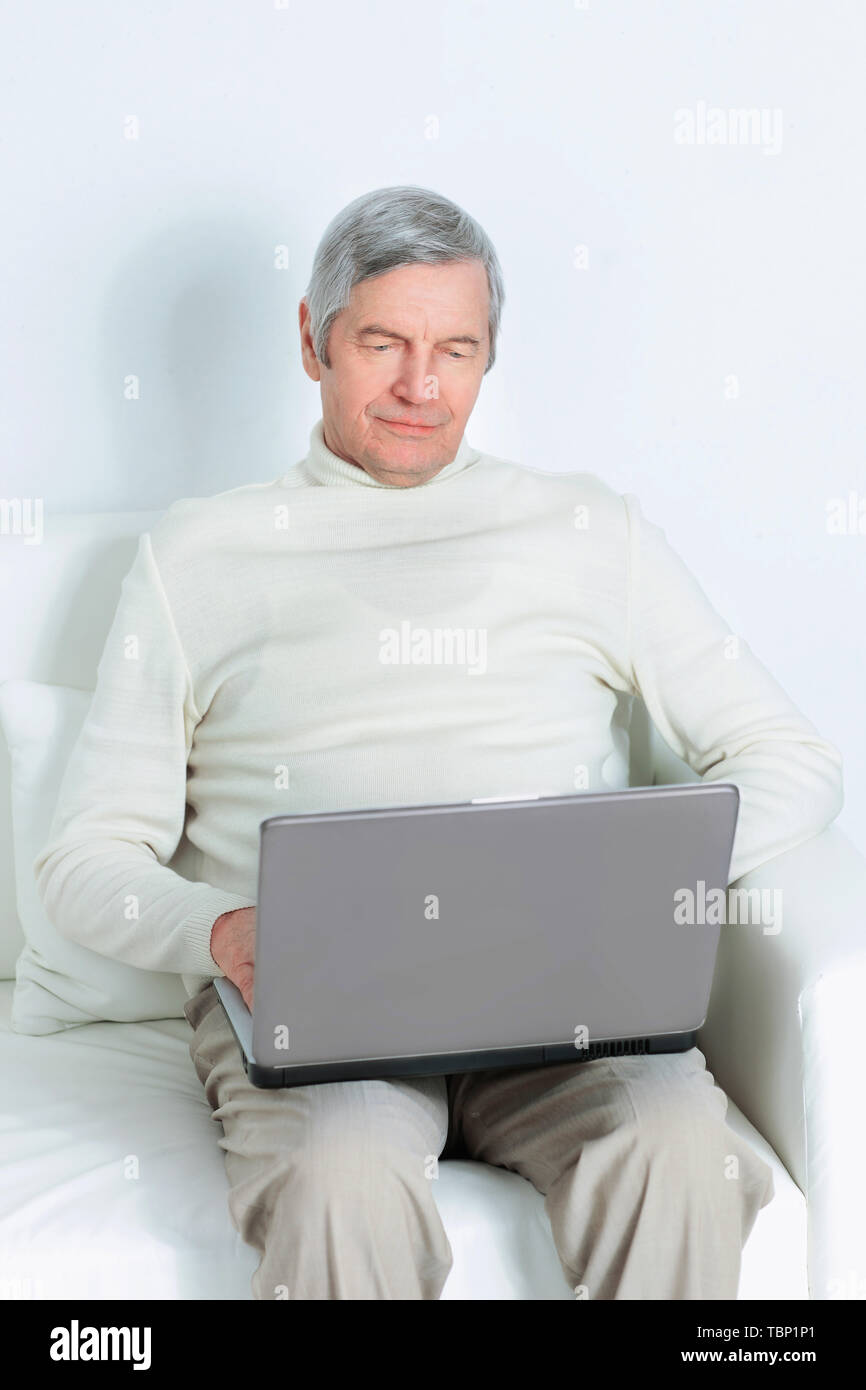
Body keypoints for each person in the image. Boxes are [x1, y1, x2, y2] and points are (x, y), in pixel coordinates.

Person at [35, 185, 843, 1300]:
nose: (420, 385)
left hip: (569, 999)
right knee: (338, 1167)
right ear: (312, 342)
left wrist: (651, 886)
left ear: (487, 357)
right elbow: (83, 861)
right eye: (382, 343)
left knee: (677, 1149)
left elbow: (790, 763)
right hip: (324, 1016)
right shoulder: (199, 555)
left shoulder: (586, 530)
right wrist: (222, 931)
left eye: (454, 349)